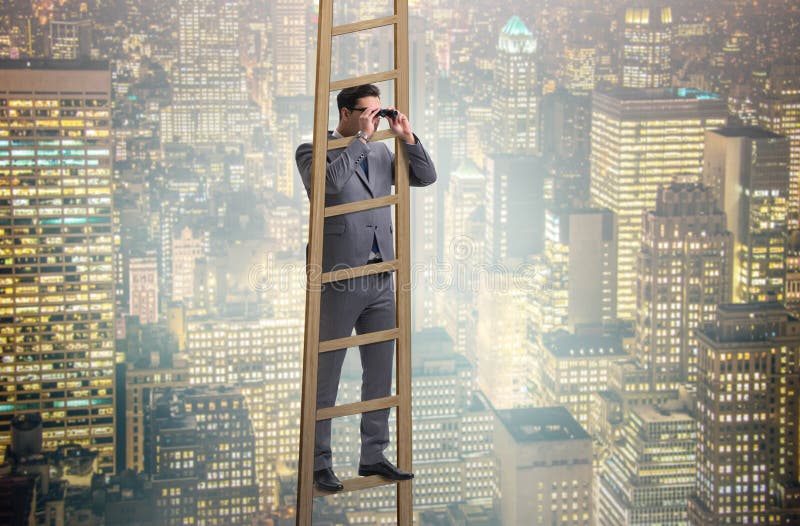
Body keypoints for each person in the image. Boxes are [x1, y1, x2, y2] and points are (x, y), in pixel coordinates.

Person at [295, 84, 437, 492]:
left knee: (380, 373)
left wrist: (407, 138)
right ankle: (319, 464)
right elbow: (330, 184)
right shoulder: (312, 150)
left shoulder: (379, 152)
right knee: (326, 374)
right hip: (337, 278)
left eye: (380, 112)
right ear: (345, 113)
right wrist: (360, 139)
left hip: (381, 275)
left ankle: (373, 455)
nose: (376, 120)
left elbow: (425, 177)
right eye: (369, 112)